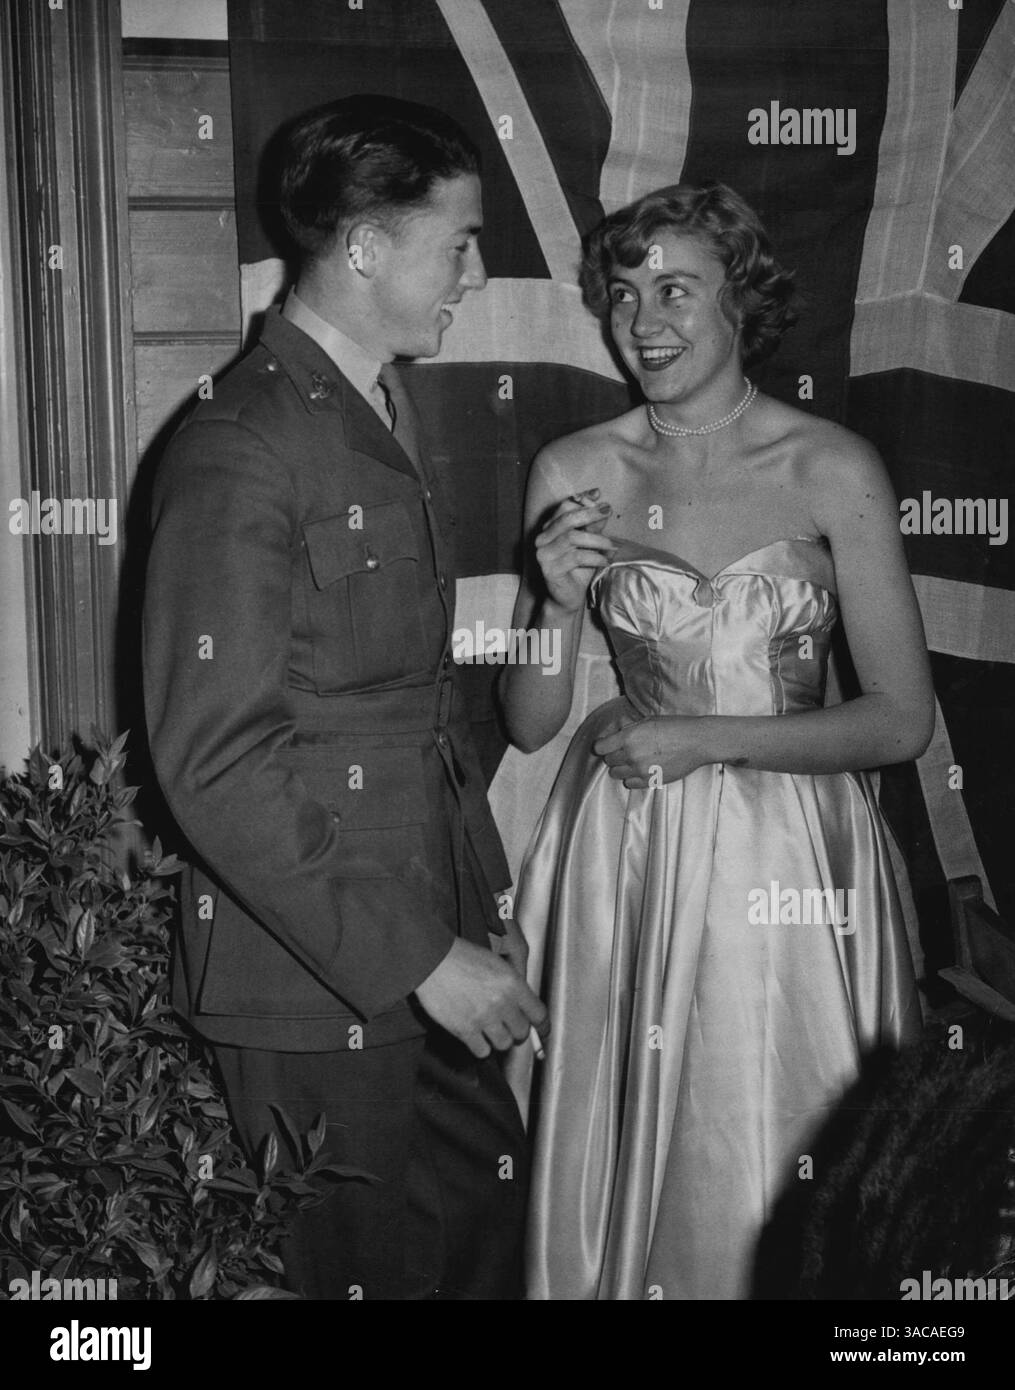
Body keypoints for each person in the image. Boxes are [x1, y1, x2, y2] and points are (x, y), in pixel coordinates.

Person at [142, 95, 547, 1301]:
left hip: (424, 939)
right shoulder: (244, 441)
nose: (473, 272)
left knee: (472, 1249)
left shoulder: (372, 402)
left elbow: (410, 716)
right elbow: (214, 761)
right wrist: (421, 954)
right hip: (311, 983)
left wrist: (478, 901)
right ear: (366, 246)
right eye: (458, 240)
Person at [499, 182, 932, 1300]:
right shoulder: (574, 467)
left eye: (676, 289)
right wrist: (550, 602)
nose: (644, 320)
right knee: (644, 1155)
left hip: (794, 855)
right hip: (629, 855)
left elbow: (899, 718)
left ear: (742, 298)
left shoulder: (830, 466)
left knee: (780, 1131)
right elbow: (532, 721)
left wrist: (706, 736)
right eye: (625, 294)